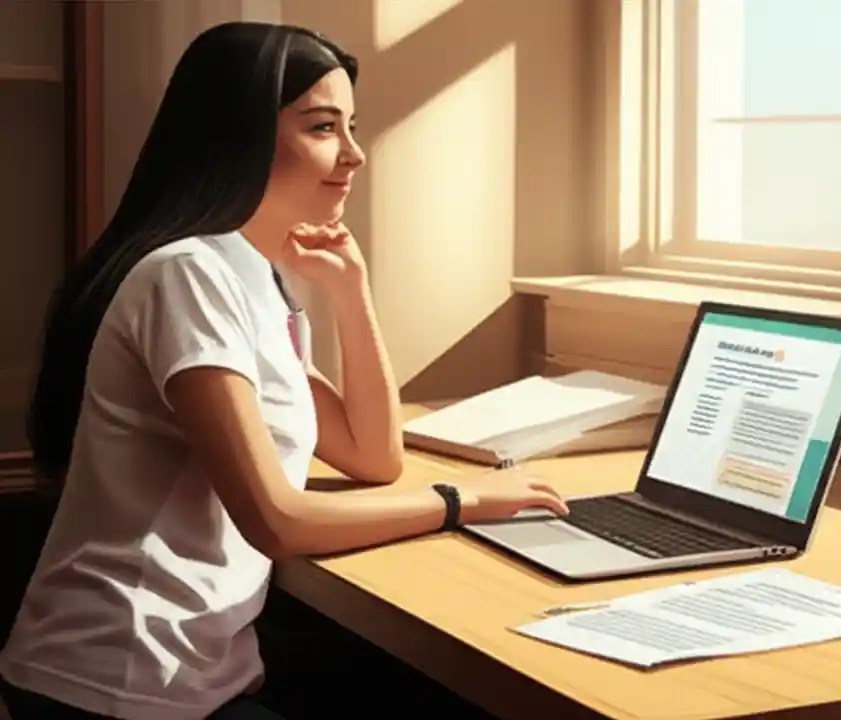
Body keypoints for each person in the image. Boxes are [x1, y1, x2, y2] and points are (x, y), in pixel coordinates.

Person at [0, 21, 568, 720]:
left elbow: (373, 456)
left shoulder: (251, 284)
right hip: (120, 684)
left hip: (190, 678)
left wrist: (351, 295)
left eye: (351, 127)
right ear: (239, 134)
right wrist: (464, 500)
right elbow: (276, 520)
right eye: (324, 127)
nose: (354, 154)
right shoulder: (187, 276)